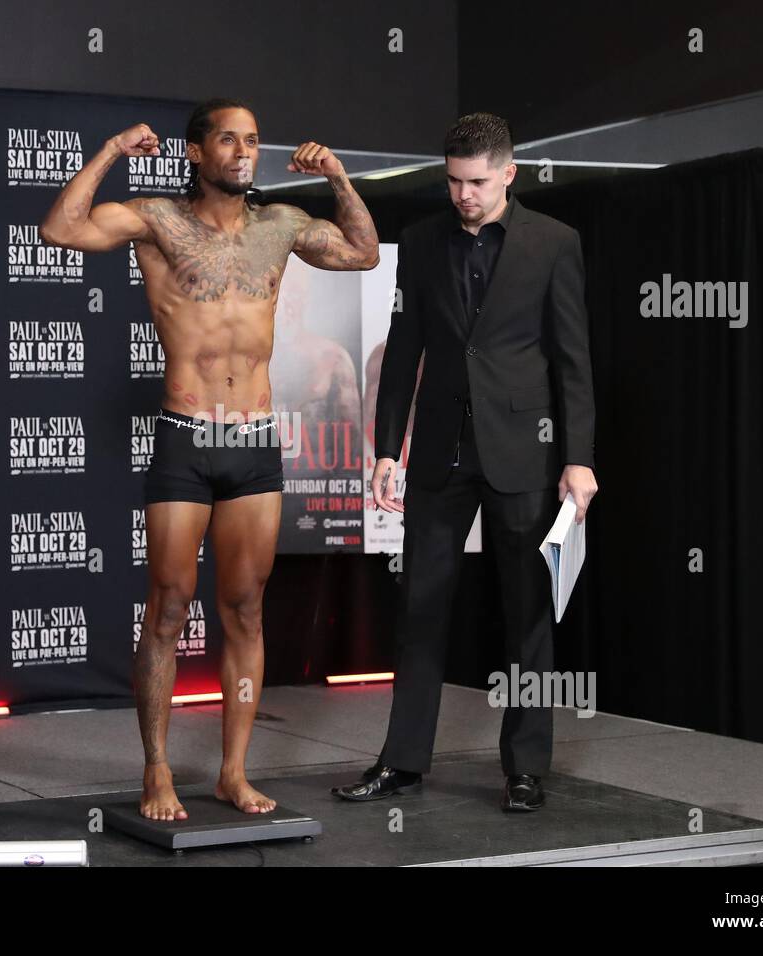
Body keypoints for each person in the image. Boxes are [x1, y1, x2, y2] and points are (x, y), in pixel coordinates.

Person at [42, 98, 379, 820]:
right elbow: (61, 227)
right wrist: (109, 149)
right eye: (227, 140)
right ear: (195, 152)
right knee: (167, 609)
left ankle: (233, 771)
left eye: (252, 141)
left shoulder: (281, 225)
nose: (243, 152)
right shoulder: (157, 220)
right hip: (188, 433)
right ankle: (157, 771)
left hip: (253, 437)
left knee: (247, 609)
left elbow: (363, 253)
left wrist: (340, 179)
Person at [333, 112, 598, 812]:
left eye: (477, 181)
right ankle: (403, 762)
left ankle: (526, 768)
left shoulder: (554, 243)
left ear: (509, 173)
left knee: (528, 613)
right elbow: (403, 350)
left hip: (526, 453)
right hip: (440, 457)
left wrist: (579, 461)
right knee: (421, 606)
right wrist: (388, 448)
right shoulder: (420, 242)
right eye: (453, 181)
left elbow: (573, 362)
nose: (463, 195)